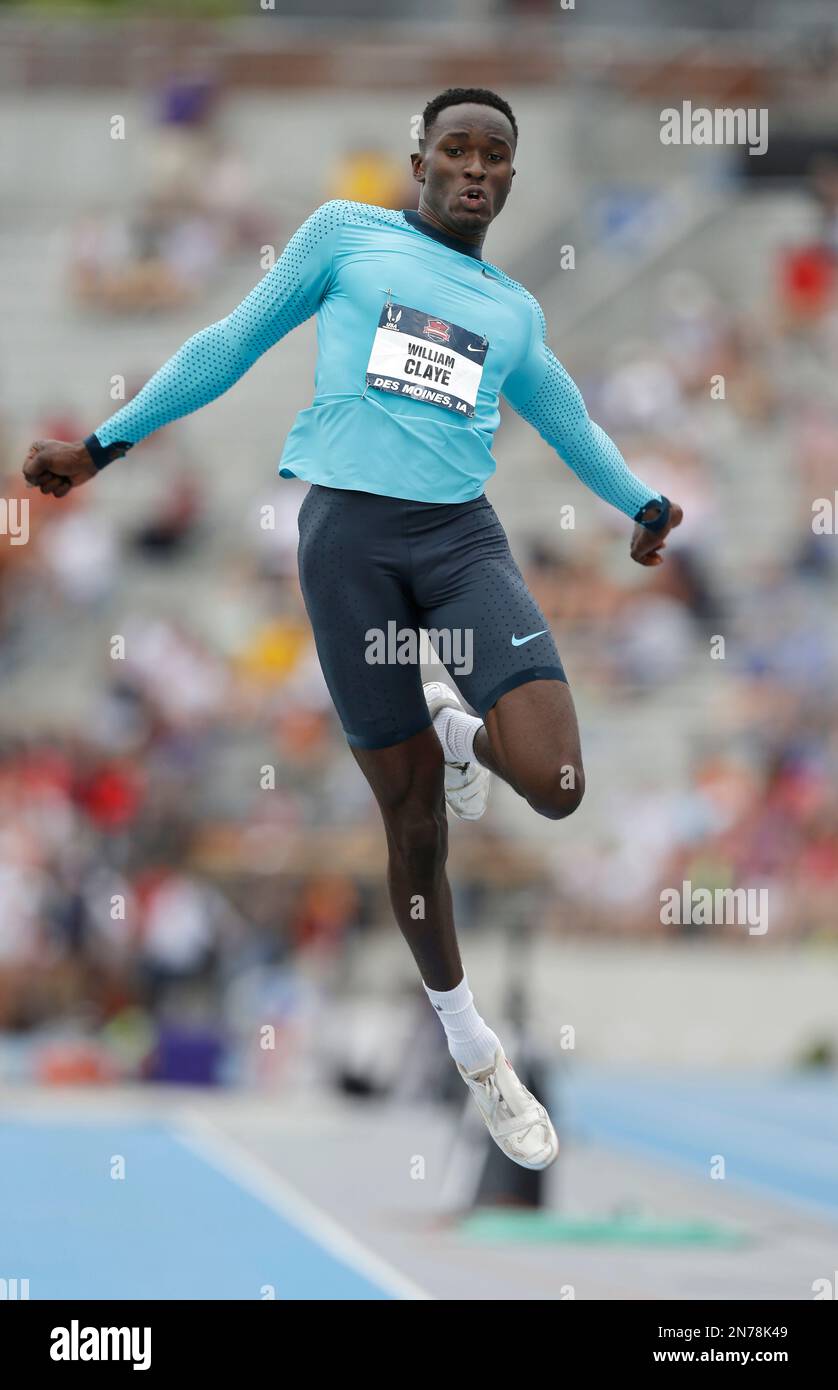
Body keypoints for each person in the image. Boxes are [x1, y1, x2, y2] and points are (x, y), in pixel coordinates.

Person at [23, 87, 682, 1171]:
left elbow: (569, 416)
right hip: (347, 549)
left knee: (557, 785)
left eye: (496, 156)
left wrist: (643, 507)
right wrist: (103, 446)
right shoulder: (346, 235)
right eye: (456, 149)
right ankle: (475, 1051)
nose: (475, 167)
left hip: (461, 545)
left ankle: (459, 727)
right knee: (413, 824)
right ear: (417, 159)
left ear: (511, 179)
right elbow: (230, 341)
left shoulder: (511, 309)